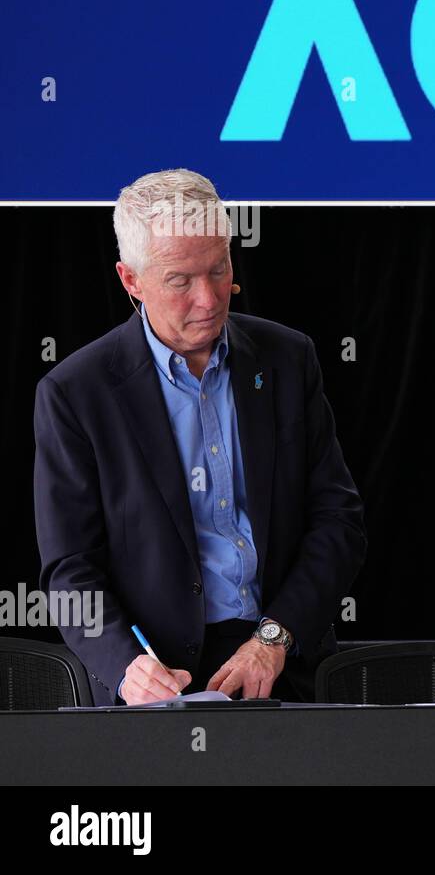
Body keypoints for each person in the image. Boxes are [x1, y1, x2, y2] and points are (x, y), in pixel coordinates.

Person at [34, 169, 366, 706]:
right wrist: (125, 667)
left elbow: (339, 521)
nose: (210, 299)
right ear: (131, 280)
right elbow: (70, 572)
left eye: (219, 269)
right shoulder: (75, 393)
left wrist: (277, 636)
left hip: (283, 665)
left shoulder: (288, 359)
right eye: (180, 280)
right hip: (153, 682)